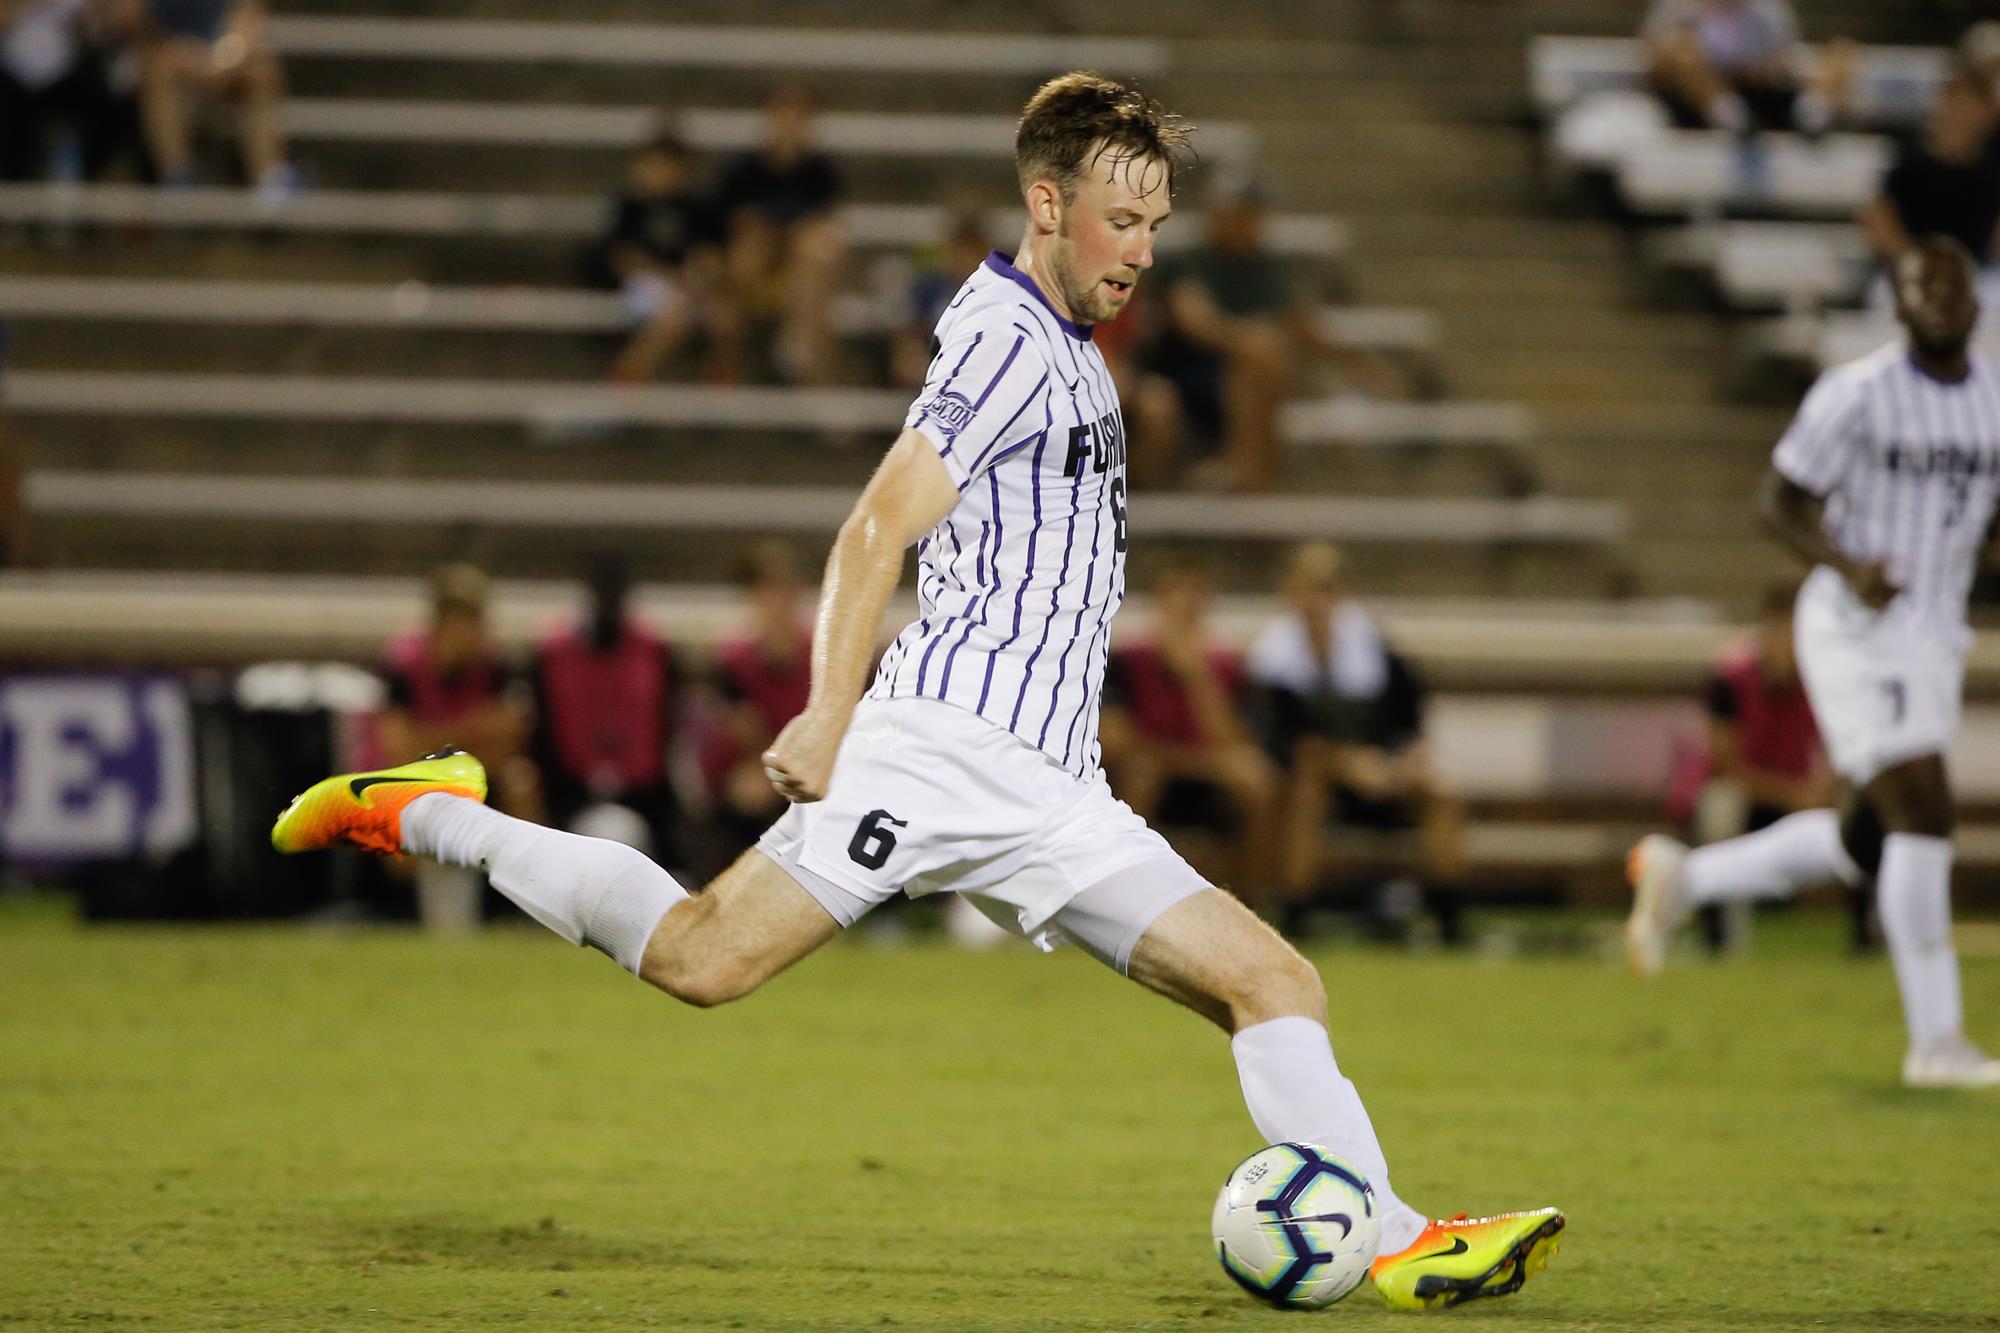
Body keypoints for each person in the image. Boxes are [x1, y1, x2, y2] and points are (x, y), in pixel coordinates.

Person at [271, 72, 1562, 1310]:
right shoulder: (1004, 338)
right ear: (1047, 204)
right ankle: (432, 810)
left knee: (1276, 982)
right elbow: (874, 528)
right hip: (938, 752)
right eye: (1125, 220)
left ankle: (1396, 1240)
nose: (1146, 252)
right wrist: (832, 709)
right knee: (704, 961)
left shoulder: (1072, 342)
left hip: (1056, 789)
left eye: (1158, 225)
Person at [1627, 237, 2000, 1089]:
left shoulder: (1992, 397)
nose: (1938, 298)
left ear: (1974, 303)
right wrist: (1846, 565)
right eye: (1920, 283)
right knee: (1924, 803)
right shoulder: (1858, 393)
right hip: (1857, 629)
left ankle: (1687, 878)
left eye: (1951, 285)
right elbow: (1780, 500)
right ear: (1897, 300)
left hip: (1934, 630)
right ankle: (1937, 1041)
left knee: (1866, 837)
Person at [1249, 544, 1466, 936]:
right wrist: (1348, 764)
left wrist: (1404, 763)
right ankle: (1296, 915)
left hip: (1383, 773)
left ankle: (1449, 917)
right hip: (1317, 783)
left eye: (1327, 588)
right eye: (1309, 588)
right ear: (1290, 593)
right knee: (1307, 790)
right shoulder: (1273, 658)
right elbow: (1287, 743)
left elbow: (1411, 725)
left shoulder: (1376, 650)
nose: (1318, 600)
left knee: (1441, 792)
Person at [1136, 182, 1402, 493]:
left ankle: (1245, 471)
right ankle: (1246, 472)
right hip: (1183, 373)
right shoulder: (1189, 262)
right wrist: (1249, 340)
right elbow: (1195, 321)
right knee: (1262, 354)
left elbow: (1303, 326)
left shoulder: (1263, 267)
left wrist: (1364, 367)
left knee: (1263, 364)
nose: (1250, 225)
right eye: (1241, 216)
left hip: (1243, 378)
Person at [1664, 583, 1833, 952]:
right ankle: (1721, 936)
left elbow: (1838, 749)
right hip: (1747, 793)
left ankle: (1870, 938)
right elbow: (1726, 766)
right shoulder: (1731, 676)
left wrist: (1821, 789)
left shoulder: (1824, 675)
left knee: (1864, 815)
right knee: (1720, 809)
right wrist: (1794, 793)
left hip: (1795, 795)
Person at [1100, 562, 1278, 904]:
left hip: (1202, 771)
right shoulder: (1128, 660)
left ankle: (1254, 900)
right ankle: (1122, 896)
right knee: (1142, 774)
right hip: (1154, 766)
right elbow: (1116, 737)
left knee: (1255, 781)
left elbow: (1235, 741)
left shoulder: (1226, 666)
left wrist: (1195, 676)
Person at [377, 563, 538, 932]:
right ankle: (439, 923)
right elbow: (399, 752)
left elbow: (508, 743)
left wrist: (440, 738)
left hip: (477, 780)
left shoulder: (493, 666)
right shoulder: (404, 664)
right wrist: (472, 730)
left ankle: (530, 906)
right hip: (418, 787)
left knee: (521, 781)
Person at [531, 555, 681, 862]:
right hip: (570, 790)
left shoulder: (655, 654)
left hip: (645, 793)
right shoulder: (553, 655)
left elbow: (667, 728)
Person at [715, 84, 845, 387]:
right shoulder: (743, 171)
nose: (790, 123)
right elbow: (734, 231)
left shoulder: (821, 173)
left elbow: (821, 230)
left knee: (817, 249)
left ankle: (797, 342)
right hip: (750, 274)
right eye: (783, 113)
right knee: (754, 243)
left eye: (798, 115)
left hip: (797, 275)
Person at [595, 130, 740, 386]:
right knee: (672, 315)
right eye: (654, 165)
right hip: (645, 283)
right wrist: (669, 277)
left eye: (668, 165)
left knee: (725, 316)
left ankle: (718, 385)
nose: (661, 173)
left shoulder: (698, 209)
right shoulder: (631, 207)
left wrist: (700, 274)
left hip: (691, 285)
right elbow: (624, 258)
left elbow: (712, 257)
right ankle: (625, 379)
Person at [704, 540, 813, 854]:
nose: (779, 601)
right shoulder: (733, 661)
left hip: (812, 760)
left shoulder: (819, 654)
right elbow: (746, 736)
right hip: (765, 763)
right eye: (769, 590)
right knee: (750, 789)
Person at [135, 0, 293, 197]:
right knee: (160, 66)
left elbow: (247, 21)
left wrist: (223, 62)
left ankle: (271, 181)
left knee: (263, 71)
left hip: (230, 73)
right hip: (180, 77)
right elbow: (142, 25)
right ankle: (178, 177)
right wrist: (195, 62)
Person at [1858, 67, 2000, 273]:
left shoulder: (1993, 167)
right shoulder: (1910, 160)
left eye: (1973, 105)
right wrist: (1913, 264)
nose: (1965, 113)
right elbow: (1879, 218)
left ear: (1988, 114)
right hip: (1910, 271)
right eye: (1959, 103)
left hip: (1978, 276)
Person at [1641, 0, 1852, 136]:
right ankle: (1728, 114)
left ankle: (1811, 114)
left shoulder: (1768, 9)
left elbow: (1784, 58)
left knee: (1842, 52)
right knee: (1682, 54)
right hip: (1696, 100)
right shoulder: (1678, 7)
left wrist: (1759, 70)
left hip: (1759, 91)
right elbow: (1657, 54)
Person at [0, 0, 140, 183]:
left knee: (114, 106)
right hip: (12, 74)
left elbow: (102, 30)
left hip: (66, 72)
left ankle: (86, 180)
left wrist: (91, 25)